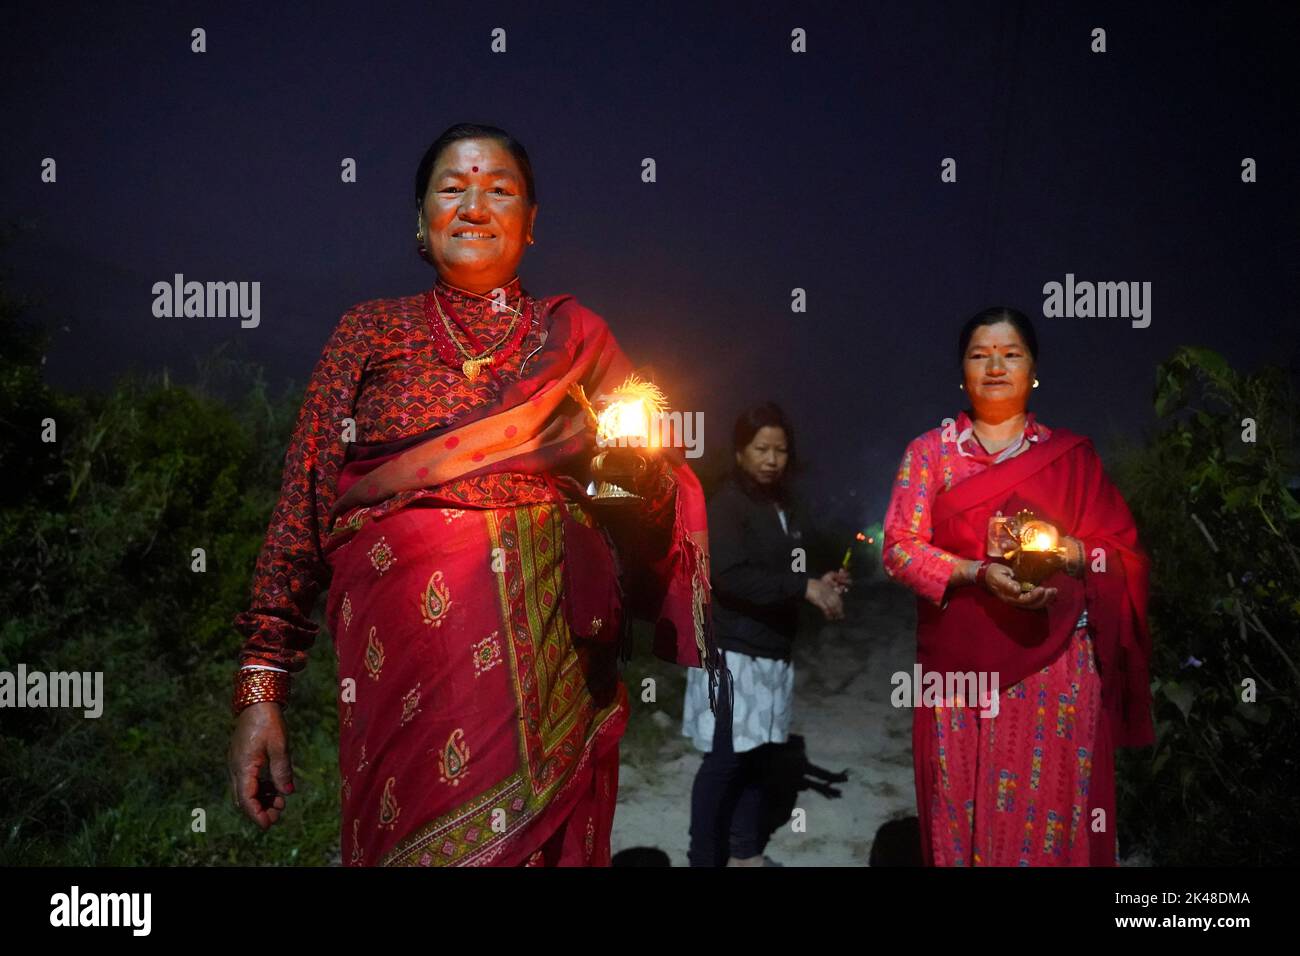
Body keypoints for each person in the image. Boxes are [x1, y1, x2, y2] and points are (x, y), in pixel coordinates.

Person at [226, 122, 718, 867]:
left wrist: (633, 472)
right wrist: (261, 690)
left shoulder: (578, 338)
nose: (475, 206)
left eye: (501, 190)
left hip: (553, 674)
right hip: (400, 678)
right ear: (419, 221)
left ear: (530, 226)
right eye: (452, 189)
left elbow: (640, 514)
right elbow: (301, 511)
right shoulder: (368, 332)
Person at [882, 306, 1153, 866]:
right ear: (962, 373)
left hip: (1054, 669)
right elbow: (899, 549)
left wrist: (1067, 552)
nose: (996, 366)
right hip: (960, 675)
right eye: (980, 355)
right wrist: (975, 571)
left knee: (1049, 816)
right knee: (962, 808)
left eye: (1011, 354)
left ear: (1034, 370)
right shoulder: (928, 455)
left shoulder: (1072, 459)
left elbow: (1121, 556)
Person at [682, 402, 849, 866]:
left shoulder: (783, 507)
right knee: (724, 762)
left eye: (780, 450)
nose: (772, 459)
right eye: (761, 449)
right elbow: (729, 575)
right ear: (739, 452)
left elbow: (782, 571)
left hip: (771, 650)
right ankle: (702, 858)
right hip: (734, 652)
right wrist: (803, 586)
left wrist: (820, 580)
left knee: (758, 757)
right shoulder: (727, 505)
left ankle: (745, 853)